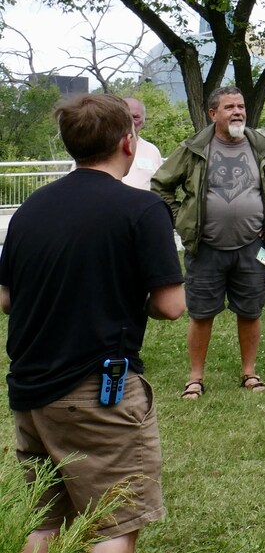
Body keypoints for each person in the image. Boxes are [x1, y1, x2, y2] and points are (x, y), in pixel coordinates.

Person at [2, 93, 185, 553]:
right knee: (114, 525)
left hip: (30, 393)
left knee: (47, 525)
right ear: (129, 141)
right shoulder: (142, 210)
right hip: (98, 394)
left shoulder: (30, 211)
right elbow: (171, 305)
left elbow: (6, 299)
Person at [152, 86, 265, 399]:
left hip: (255, 248)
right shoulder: (194, 148)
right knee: (201, 313)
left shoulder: (262, 147)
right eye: (230, 107)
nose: (237, 112)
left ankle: (249, 372)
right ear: (212, 113)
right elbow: (161, 185)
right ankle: (195, 377)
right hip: (205, 248)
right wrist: (184, 219)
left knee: (251, 311)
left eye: (241, 106)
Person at [122, 97, 163, 190]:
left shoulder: (152, 151)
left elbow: (161, 185)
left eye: (135, 117)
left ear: (144, 119)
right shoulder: (106, 147)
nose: (130, 122)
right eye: (125, 116)